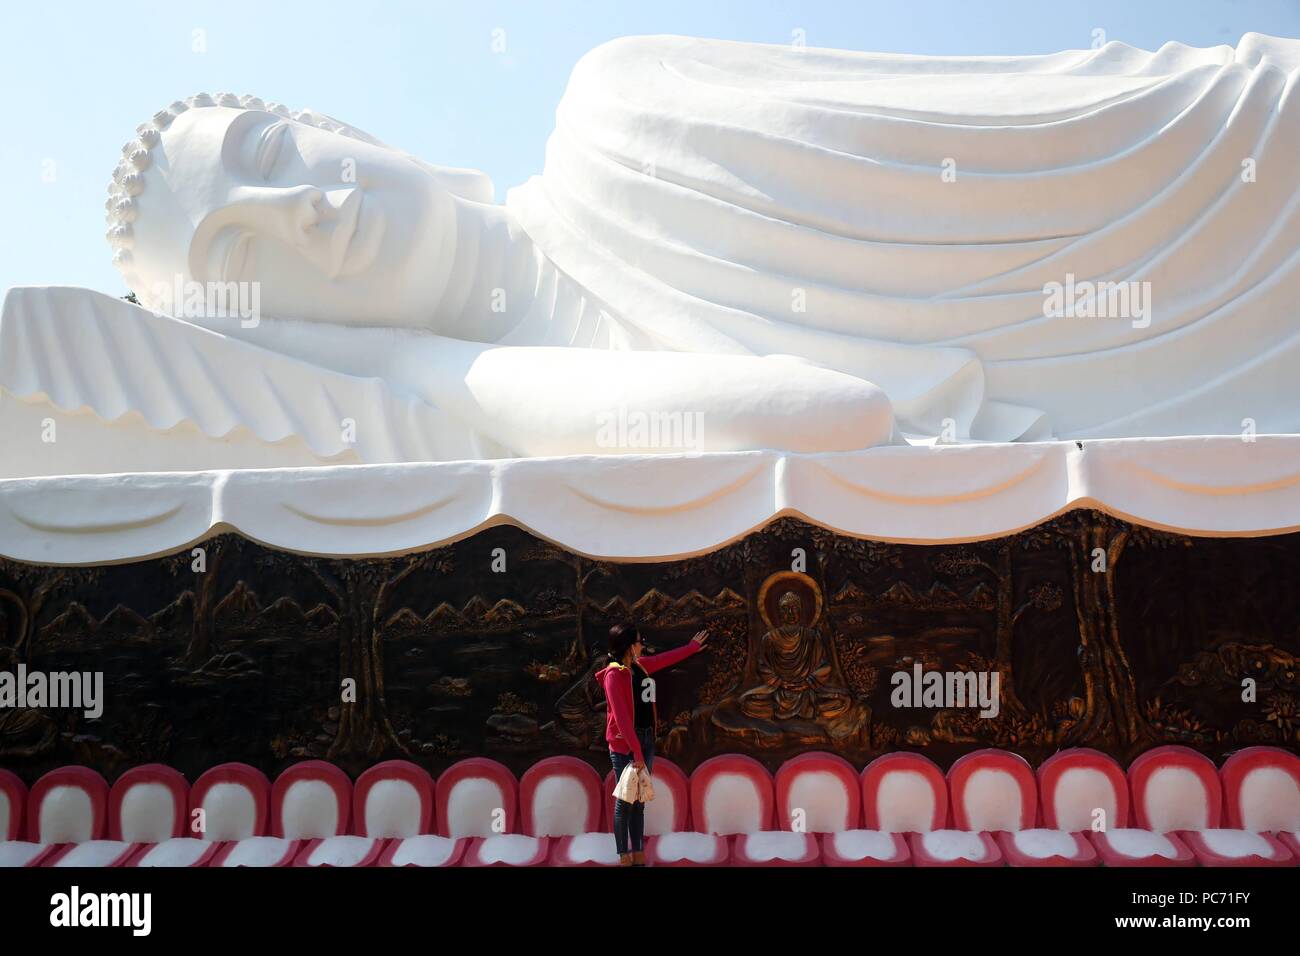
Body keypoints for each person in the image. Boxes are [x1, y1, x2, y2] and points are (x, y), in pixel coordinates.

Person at [595, 623, 707, 866]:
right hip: (626, 746)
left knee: (639, 801)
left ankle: (639, 854)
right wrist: (635, 751)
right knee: (625, 803)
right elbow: (622, 718)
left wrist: (692, 647)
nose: (642, 645)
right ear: (628, 646)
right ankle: (624, 855)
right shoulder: (613, 675)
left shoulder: (640, 666)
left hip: (645, 740)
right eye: (638, 641)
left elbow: (666, 659)